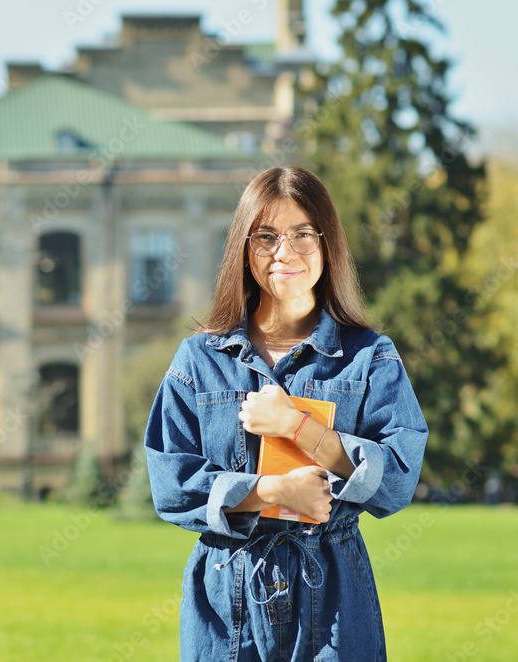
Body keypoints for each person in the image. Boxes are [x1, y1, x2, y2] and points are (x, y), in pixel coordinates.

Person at [145, 166, 428, 661]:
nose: (284, 251)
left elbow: (398, 479)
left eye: (302, 233)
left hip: (336, 597)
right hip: (226, 598)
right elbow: (170, 484)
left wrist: (297, 427)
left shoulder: (370, 356)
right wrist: (273, 492)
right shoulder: (198, 360)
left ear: (328, 243)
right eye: (267, 236)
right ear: (243, 247)